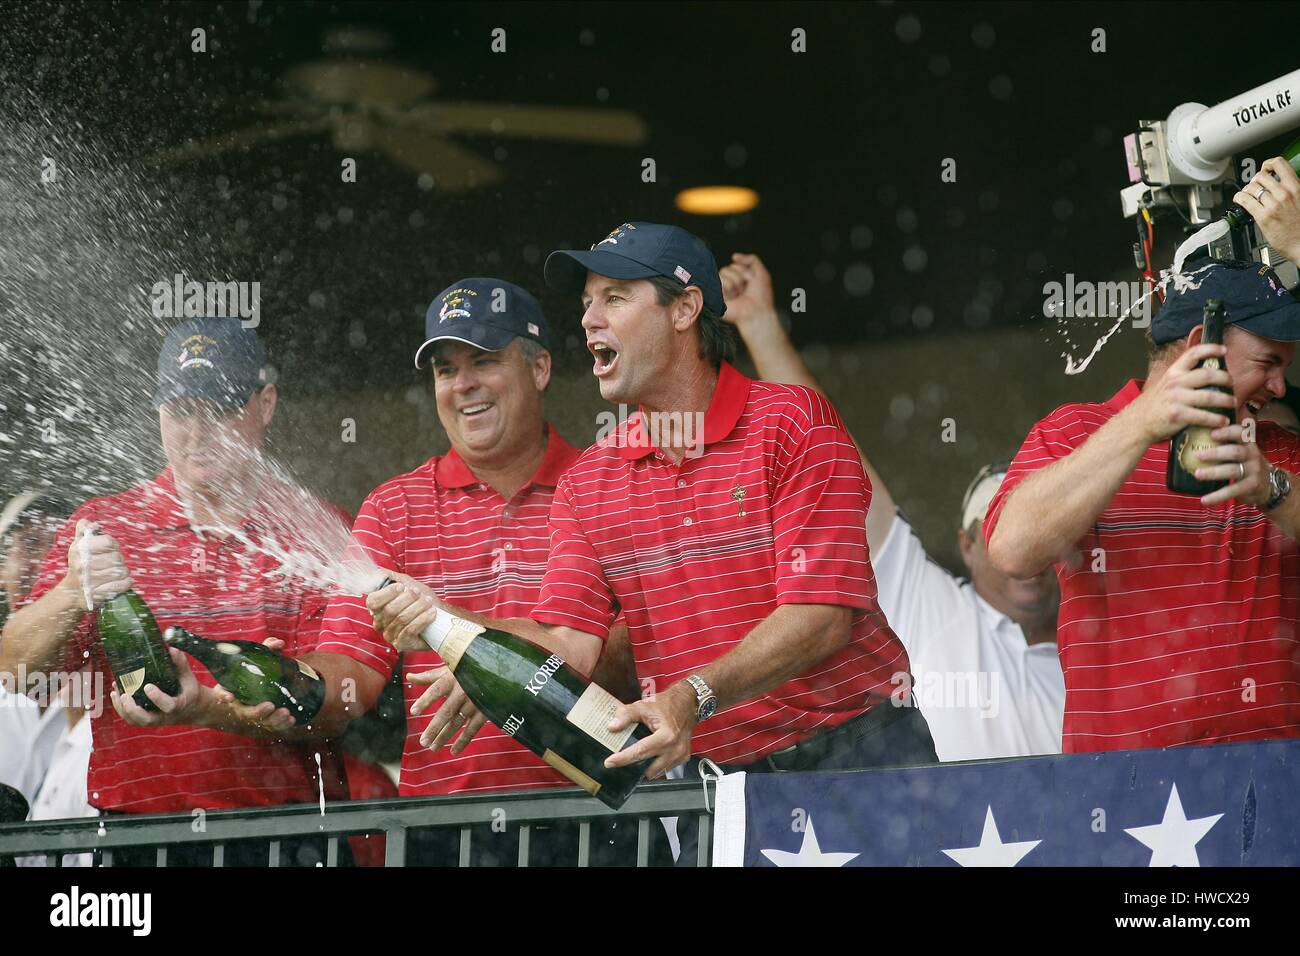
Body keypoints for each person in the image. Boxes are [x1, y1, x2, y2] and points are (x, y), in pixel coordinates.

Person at [367, 223, 936, 867]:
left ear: (686, 310)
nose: (588, 319)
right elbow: (568, 648)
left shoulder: (793, 421)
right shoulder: (590, 481)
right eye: (586, 302)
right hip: (714, 789)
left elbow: (822, 617)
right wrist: (444, 622)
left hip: (855, 757)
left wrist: (690, 697)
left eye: (614, 297)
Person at [312, 278, 662, 866]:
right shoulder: (393, 507)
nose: (463, 384)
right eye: (446, 370)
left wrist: (490, 657)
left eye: (484, 360)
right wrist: (270, 691)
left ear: (542, 368)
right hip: (443, 832)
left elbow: (655, 653)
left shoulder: (613, 484)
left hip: (597, 820)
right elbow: (349, 675)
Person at [0, 318, 354, 865]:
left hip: (284, 840)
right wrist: (73, 591)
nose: (196, 434)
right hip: (137, 841)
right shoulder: (100, 523)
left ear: (266, 404)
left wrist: (207, 710)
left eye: (221, 409)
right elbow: (14, 673)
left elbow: (334, 706)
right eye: (180, 411)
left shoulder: (317, 529)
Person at [717, 253, 1064, 761]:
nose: (1025, 554)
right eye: (996, 530)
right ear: (965, 547)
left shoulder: (1099, 646)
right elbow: (831, 452)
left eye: (1042, 534)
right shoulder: (929, 605)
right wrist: (759, 326)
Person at [985, 258, 1300, 752]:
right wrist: (1142, 425)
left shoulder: (1279, 451)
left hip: (1276, 785)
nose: (1281, 388)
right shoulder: (1074, 430)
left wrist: (1271, 488)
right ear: (1202, 348)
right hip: (1122, 795)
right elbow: (1011, 550)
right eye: (1268, 363)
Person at [0, 493, 75, 805]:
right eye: (30, 544)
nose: (44, 562)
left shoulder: (109, 695)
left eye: (58, 547)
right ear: (2, 570)